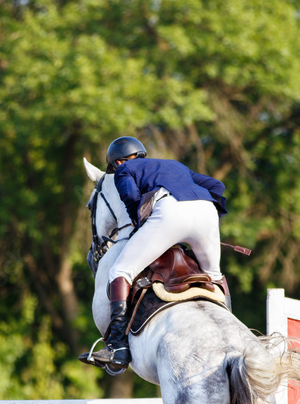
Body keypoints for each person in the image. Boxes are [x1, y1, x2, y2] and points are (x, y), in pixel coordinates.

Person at [85, 136, 229, 370]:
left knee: (120, 270)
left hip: (170, 214)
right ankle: (227, 323)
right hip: (206, 210)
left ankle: (117, 346)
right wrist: (208, 218)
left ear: (117, 163)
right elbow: (217, 187)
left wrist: (140, 223)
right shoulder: (176, 165)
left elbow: (131, 199)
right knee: (213, 276)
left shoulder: (124, 171)